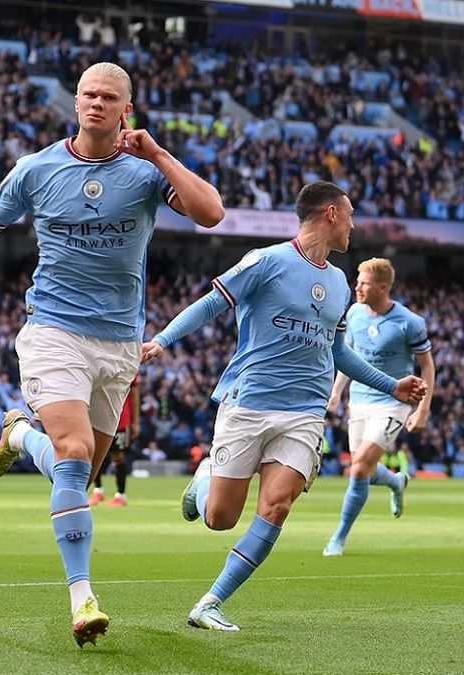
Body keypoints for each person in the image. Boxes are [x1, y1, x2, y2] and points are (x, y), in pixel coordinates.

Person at [0, 61, 224, 647]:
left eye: (109, 97)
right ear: (75, 102)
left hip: (120, 344)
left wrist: (159, 155)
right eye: (87, 95)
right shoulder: (35, 169)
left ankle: (17, 437)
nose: (96, 104)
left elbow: (211, 212)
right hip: (53, 330)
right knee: (76, 454)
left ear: (126, 109)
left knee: (78, 474)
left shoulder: (143, 173)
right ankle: (82, 599)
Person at [141, 181, 426, 632]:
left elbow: (337, 352)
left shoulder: (337, 283)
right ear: (330, 213)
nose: (354, 224)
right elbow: (212, 303)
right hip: (250, 401)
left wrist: (391, 386)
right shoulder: (267, 261)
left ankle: (210, 603)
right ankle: (204, 481)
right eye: (349, 214)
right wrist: (162, 340)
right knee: (220, 518)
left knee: (276, 506)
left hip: (305, 412)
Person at [322, 257, 434, 556]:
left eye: (364, 282)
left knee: (357, 469)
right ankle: (396, 481)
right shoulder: (355, 313)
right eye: (357, 281)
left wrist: (422, 409)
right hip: (358, 402)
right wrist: (336, 393)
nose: (357, 286)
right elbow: (350, 357)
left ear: (383, 287)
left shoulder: (409, 322)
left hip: (392, 404)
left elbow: (427, 366)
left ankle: (339, 537)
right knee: (365, 471)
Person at [90, 374, 139, 507]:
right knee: (94, 453)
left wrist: (136, 422)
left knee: (118, 456)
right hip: (97, 416)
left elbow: (134, 393)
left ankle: (120, 495)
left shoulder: (129, 362)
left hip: (120, 419)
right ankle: (98, 490)